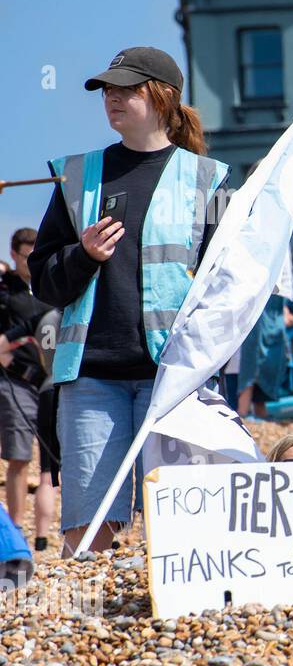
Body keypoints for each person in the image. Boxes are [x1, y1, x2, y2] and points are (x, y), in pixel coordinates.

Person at [29, 47, 229, 553]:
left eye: (126, 89)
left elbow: (229, 285)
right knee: (88, 533)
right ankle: (87, 629)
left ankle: (187, 625)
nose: (112, 99)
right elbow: (45, 283)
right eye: (107, 91)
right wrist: (84, 257)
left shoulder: (210, 182)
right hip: (92, 378)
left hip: (176, 377)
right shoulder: (75, 177)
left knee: (190, 524)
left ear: (161, 97)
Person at [0, 229, 50, 535]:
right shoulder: (4, 291)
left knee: (50, 465)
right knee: (19, 456)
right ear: (14, 254)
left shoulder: (50, 287)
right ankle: (16, 528)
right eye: (26, 256)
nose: (31, 263)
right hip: (15, 381)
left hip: (51, 383)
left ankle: (44, 536)